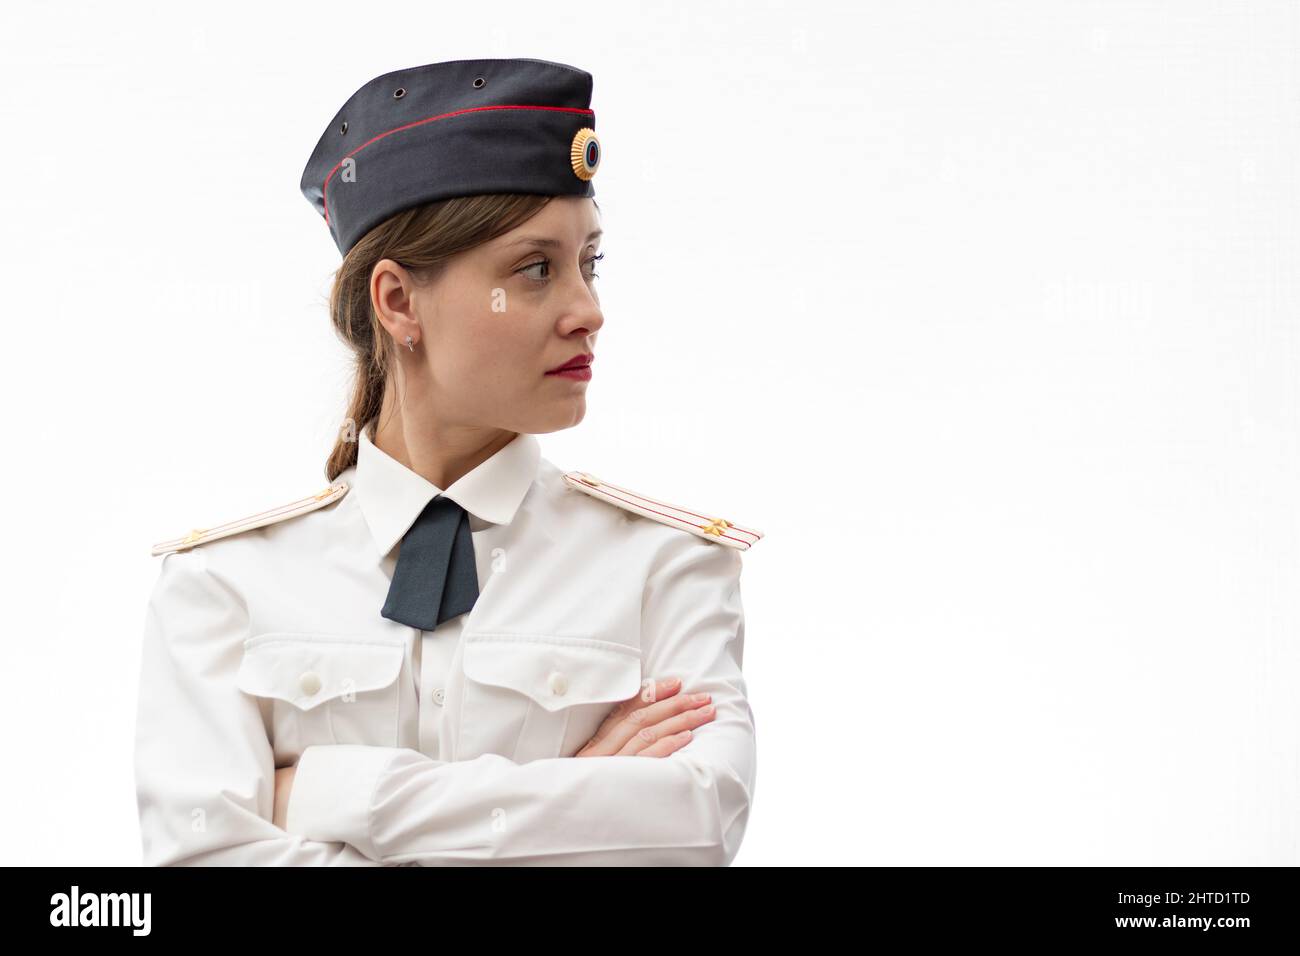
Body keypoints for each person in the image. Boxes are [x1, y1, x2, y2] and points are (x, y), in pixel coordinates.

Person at [133, 57, 764, 867]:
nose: (590, 311)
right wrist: (580, 805)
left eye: (590, 263)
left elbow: (698, 824)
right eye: (536, 269)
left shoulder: (670, 565)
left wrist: (335, 792)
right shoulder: (221, 584)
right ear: (398, 301)